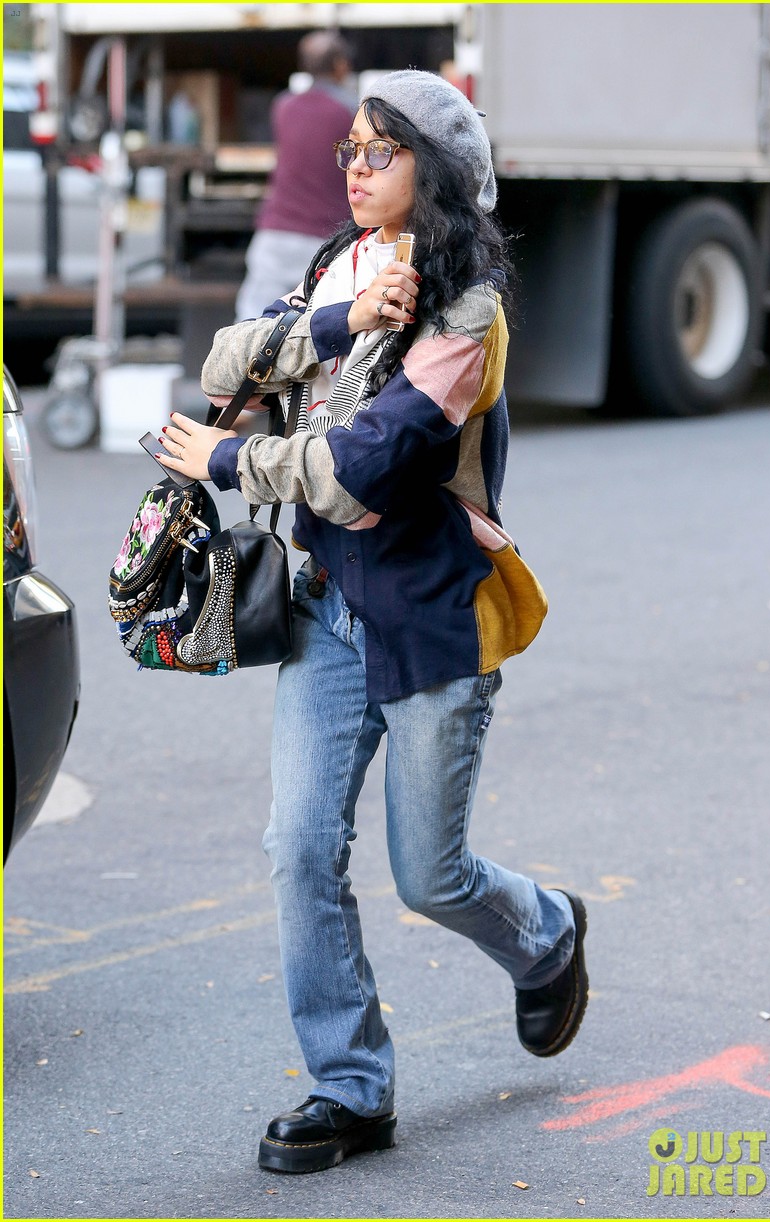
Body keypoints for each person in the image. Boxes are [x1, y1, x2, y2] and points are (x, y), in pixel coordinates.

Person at [157, 69, 589, 1176]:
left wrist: (227, 460)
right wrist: (340, 315)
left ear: (432, 174)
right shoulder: (334, 268)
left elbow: (358, 470)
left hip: (429, 610)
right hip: (324, 610)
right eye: (348, 149)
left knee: (427, 875)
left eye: (377, 153)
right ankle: (350, 1087)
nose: (352, 170)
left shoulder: (467, 313)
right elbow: (222, 361)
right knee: (296, 847)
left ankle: (544, 933)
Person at [234, 31, 357, 322]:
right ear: (340, 65)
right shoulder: (351, 112)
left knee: (252, 324)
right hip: (325, 239)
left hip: (275, 233)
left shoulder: (283, 106)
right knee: (321, 330)